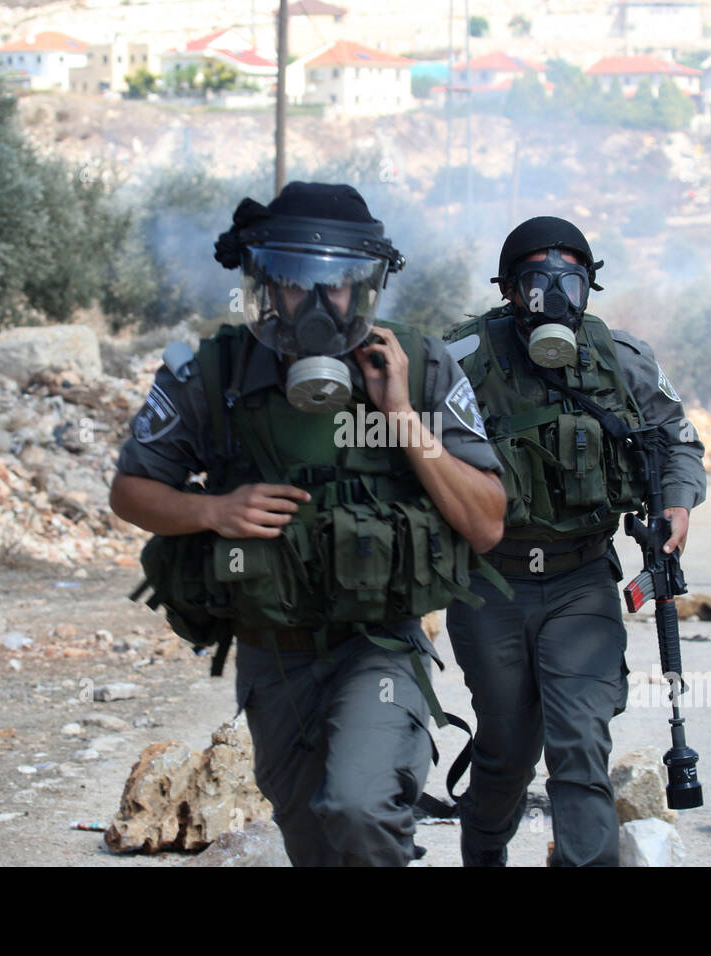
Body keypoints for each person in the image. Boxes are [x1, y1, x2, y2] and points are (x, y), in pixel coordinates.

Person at [109, 182, 507, 867]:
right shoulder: (213, 374)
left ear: (366, 287)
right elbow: (130, 491)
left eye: (339, 286)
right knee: (316, 843)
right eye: (297, 284)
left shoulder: (421, 365)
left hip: (379, 645)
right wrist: (212, 510)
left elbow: (488, 523)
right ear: (265, 284)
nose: (319, 304)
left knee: (357, 808)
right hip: (273, 652)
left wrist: (403, 416)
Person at [442, 216, 707, 867]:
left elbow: (676, 438)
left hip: (581, 579)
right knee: (505, 754)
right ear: (509, 289)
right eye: (537, 280)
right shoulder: (458, 361)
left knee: (580, 746)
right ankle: (483, 854)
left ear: (590, 285)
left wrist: (676, 505)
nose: (555, 294)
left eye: (571, 279)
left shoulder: (621, 358)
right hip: (489, 583)